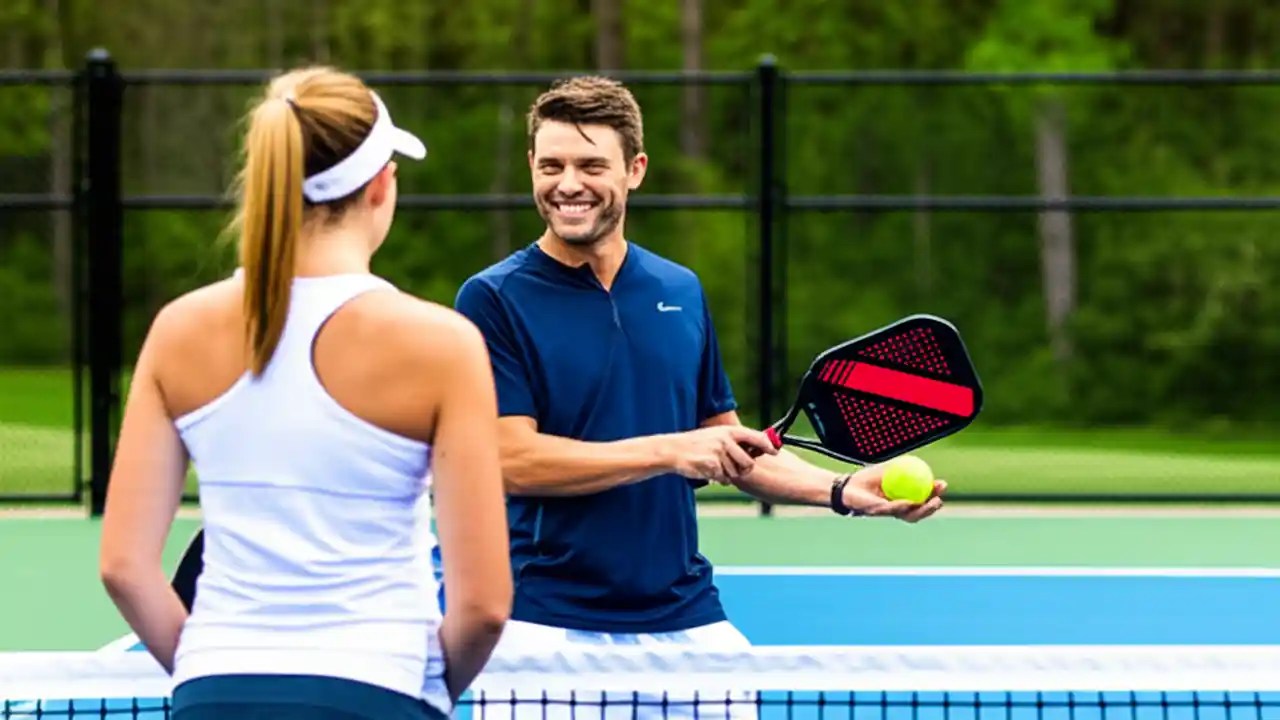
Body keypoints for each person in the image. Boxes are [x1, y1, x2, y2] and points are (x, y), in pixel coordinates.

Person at [452, 76, 947, 719]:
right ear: (532, 168)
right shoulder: (493, 299)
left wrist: (840, 491)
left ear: (634, 170)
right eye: (552, 165)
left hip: (686, 623)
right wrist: (670, 450)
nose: (568, 183)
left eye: (590, 165)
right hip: (546, 628)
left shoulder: (678, 289)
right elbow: (512, 460)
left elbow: (729, 443)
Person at [98, 66, 512, 720]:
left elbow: (124, 566)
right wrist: (421, 691)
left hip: (215, 692)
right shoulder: (442, 343)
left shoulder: (178, 331)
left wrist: (214, 671)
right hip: (378, 692)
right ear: (381, 185)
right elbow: (484, 606)